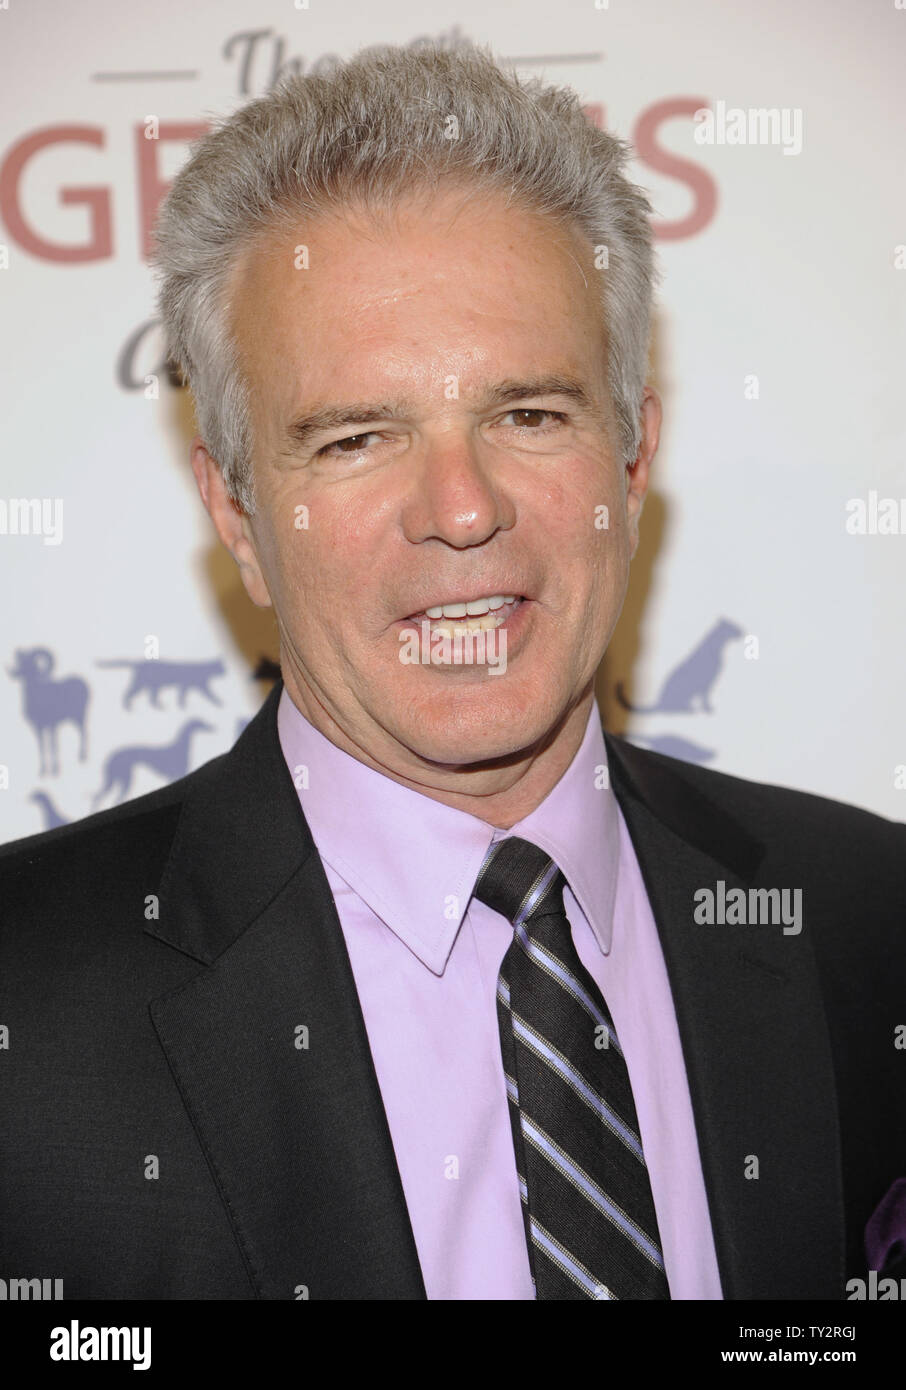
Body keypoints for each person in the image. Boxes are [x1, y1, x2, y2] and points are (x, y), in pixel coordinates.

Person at [1, 39, 903, 1302]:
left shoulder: (870, 916)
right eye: (357, 438)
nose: (464, 509)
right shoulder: (27, 1006)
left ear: (633, 461)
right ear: (240, 516)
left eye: (528, 414)